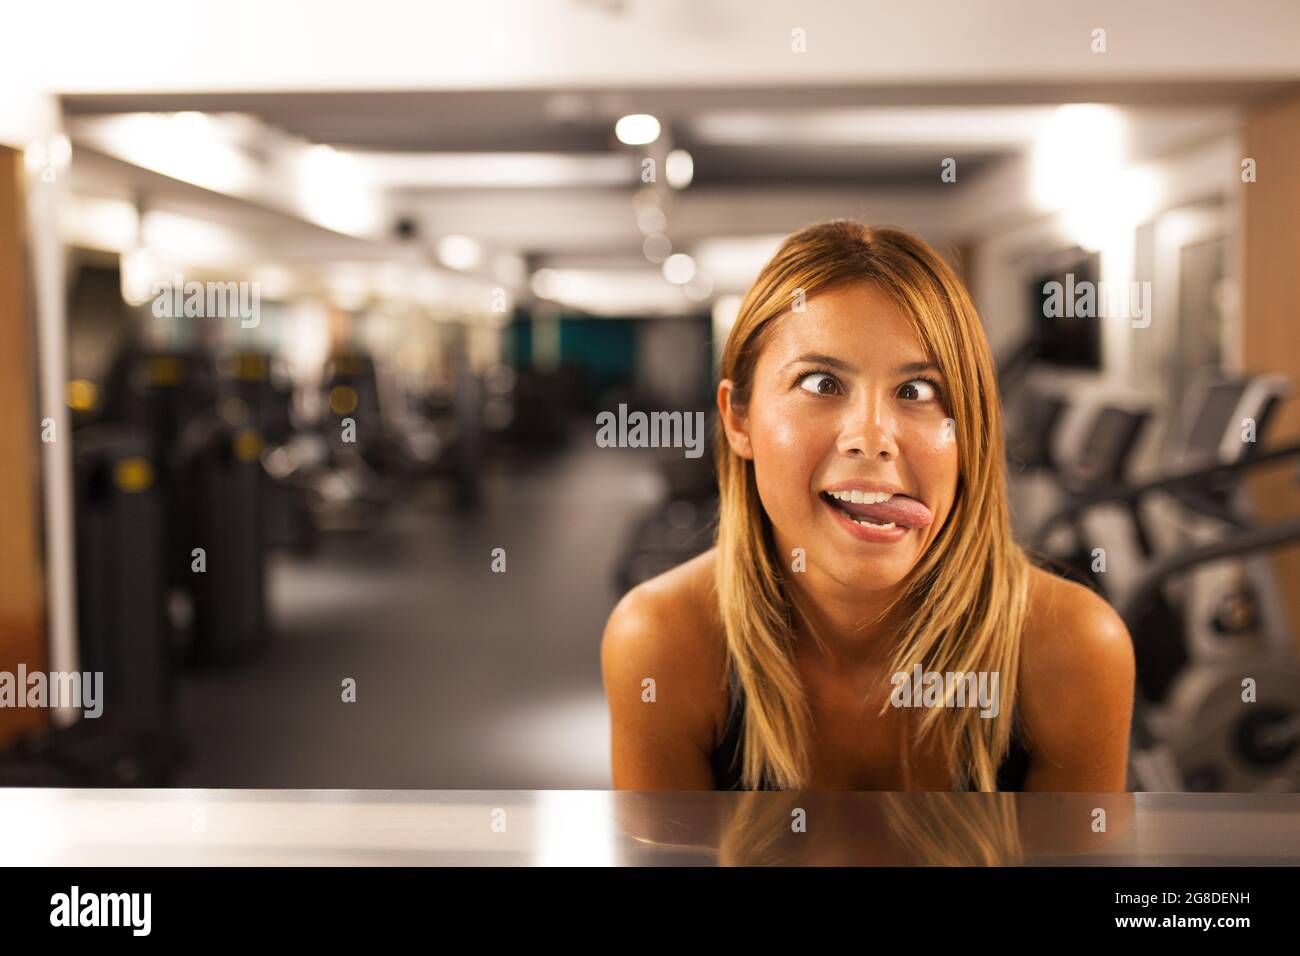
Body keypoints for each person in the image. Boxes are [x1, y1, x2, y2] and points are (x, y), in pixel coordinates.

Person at [602, 220, 1135, 791]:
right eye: (820, 383)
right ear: (738, 420)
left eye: (918, 391)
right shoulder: (661, 642)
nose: (872, 436)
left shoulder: (1075, 646)